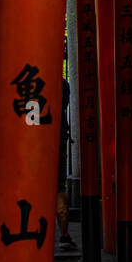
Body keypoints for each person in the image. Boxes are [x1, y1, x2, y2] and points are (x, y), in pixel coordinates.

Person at [57, 76, 76, 251]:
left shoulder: (28, 77)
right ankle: (63, 234)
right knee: (59, 186)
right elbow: (64, 105)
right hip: (57, 137)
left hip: (31, 139)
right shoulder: (62, 83)